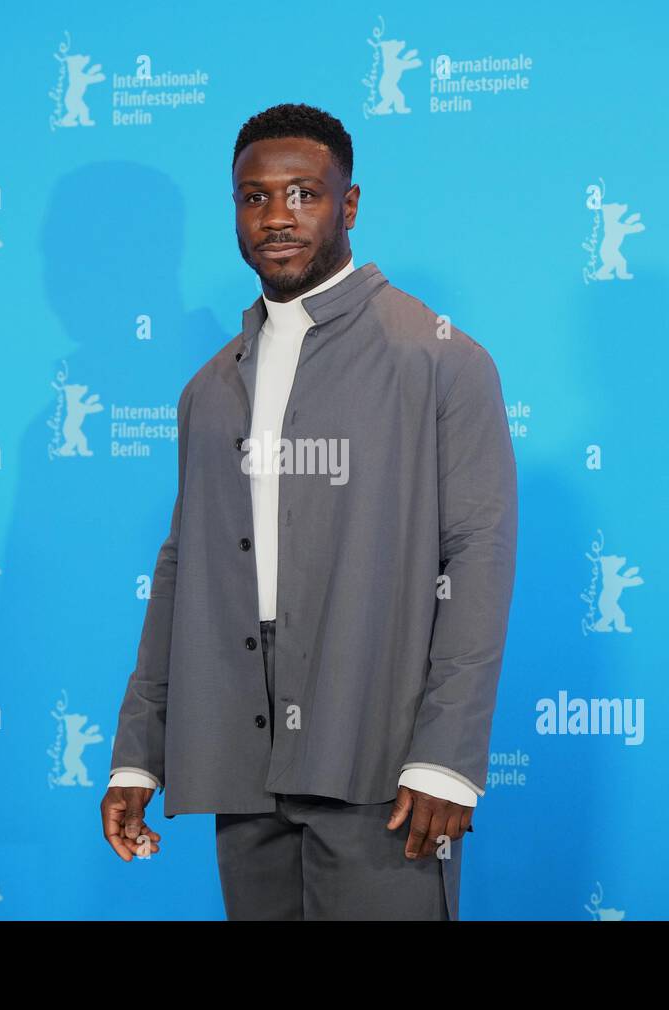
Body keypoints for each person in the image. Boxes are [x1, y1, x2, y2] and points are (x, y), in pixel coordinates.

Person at [100, 102, 517, 920]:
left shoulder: (440, 361)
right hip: (239, 764)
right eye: (255, 198)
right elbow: (185, 566)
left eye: (303, 194)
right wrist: (138, 754)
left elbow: (478, 557)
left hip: (382, 763)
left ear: (349, 205)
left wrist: (446, 759)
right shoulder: (212, 387)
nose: (277, 217)